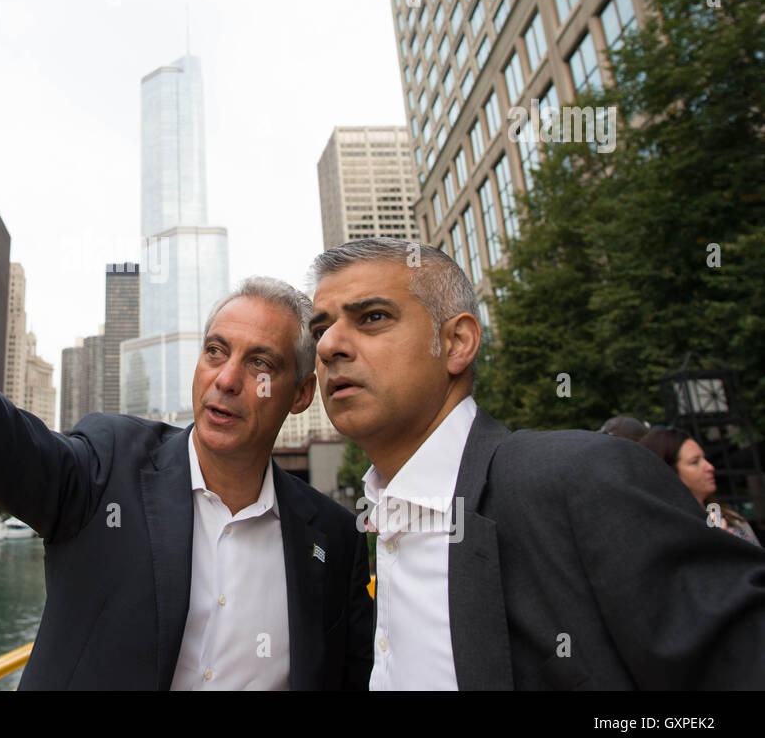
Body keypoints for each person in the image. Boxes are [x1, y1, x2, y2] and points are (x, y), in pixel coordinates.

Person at [0, 200, 372, 690]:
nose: (225, 378)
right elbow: (2, 445)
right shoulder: (109, 465)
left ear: (299, 394)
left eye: (259, 363)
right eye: (215, 351)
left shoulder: (336, 540)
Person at [307, 237, 765, 690]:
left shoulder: (586, 476)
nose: (329, 347)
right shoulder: (376, 522)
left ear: (457, 342)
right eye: (319, 330)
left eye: (373, 317)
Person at [639, 426, 761, 547]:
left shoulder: (729, 517)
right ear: (669, 472)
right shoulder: (662, 535)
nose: (709, 467)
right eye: (695, 462)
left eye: (704, 458)